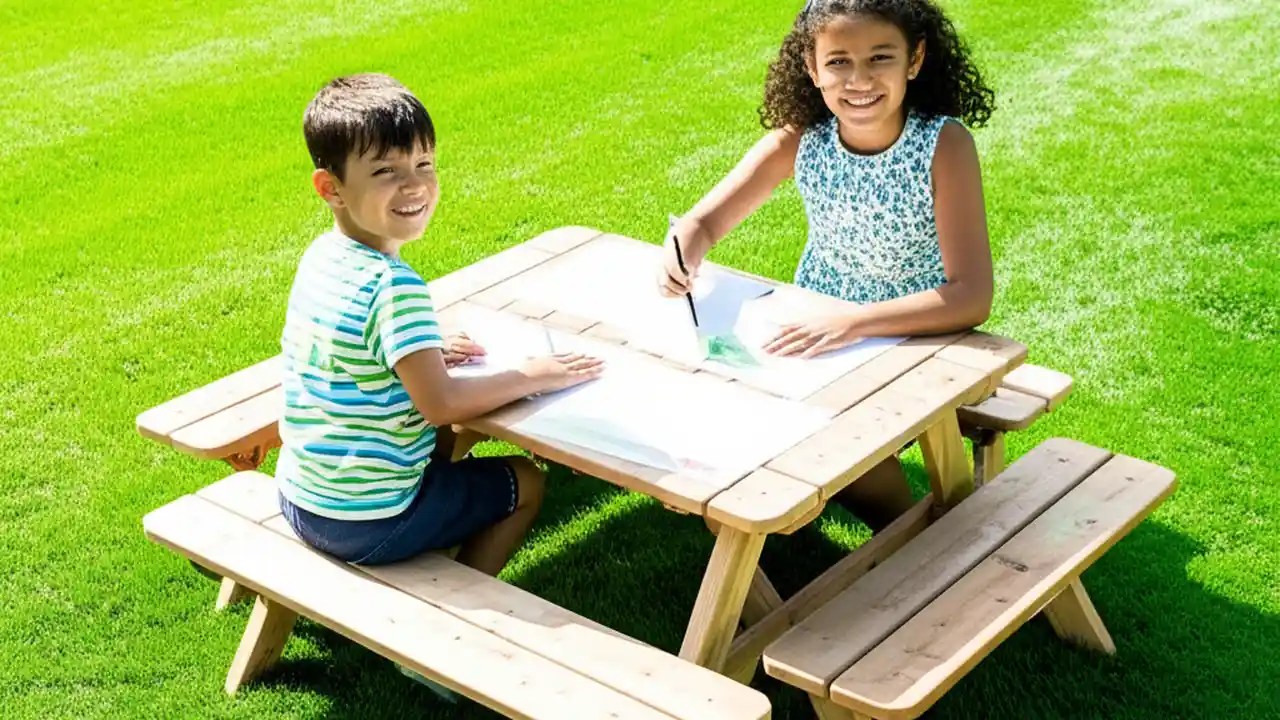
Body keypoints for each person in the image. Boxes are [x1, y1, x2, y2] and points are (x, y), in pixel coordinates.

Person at [658, 0, 995, 531]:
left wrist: (853, 323)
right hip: (813, 337)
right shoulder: (801, 139)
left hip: (920, 340)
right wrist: (683, 250)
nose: (858, 80)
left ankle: (910, 532)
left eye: (879, 57)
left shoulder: (943, 145)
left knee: (824, 442)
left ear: (915, 59)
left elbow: (971, 296)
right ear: (811, 69)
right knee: (718, 408)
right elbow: (702, 222)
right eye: (838, 62)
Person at [277, 73, 604, 575]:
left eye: (424, 164)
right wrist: (535, 375)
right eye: (386, 170)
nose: (414, 185)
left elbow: (352, 347)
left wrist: (423, 352)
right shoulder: (394, 286)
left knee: (450, 447)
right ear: (332, 188)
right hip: (368, 520)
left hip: (303, 498)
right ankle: (467, 599)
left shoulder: (323, 257)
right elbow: (441, 404)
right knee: (526, 480)